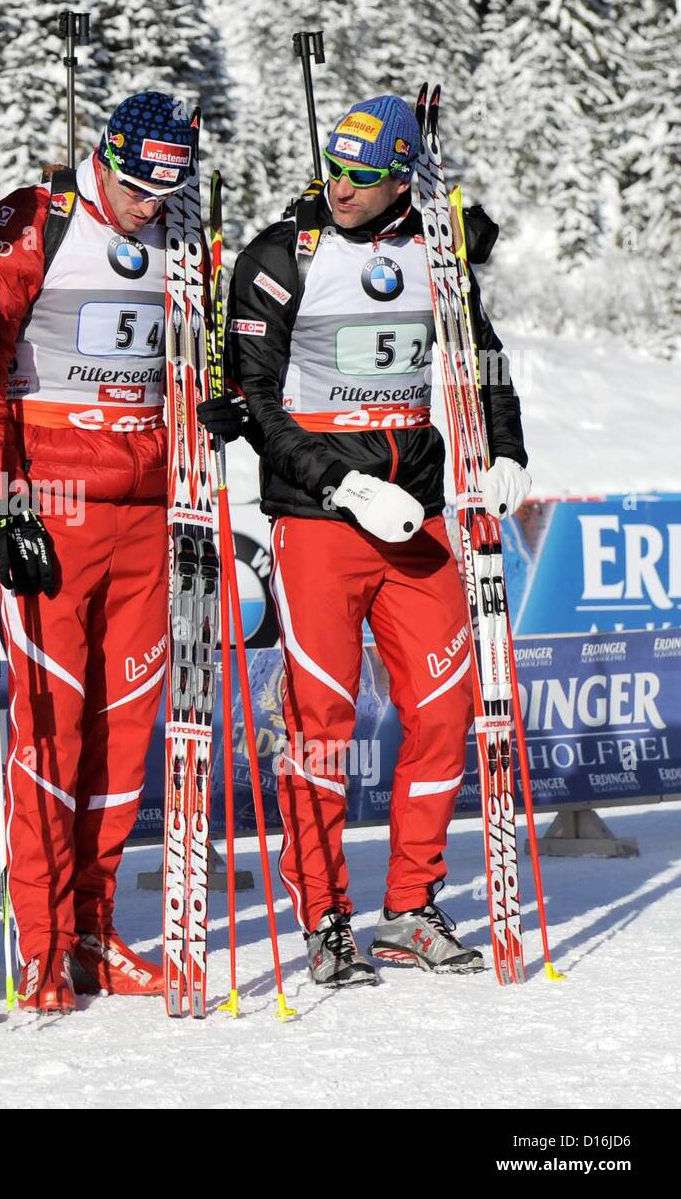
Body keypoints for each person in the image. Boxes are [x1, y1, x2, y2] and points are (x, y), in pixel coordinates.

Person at [198, 95, 530, 986]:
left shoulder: (437, 254)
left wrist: (505, 447)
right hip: (321, 523)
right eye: (335, 169)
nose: (342, 188)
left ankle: (411, 907)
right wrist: (340, 482)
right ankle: (325, 913)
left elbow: (481, 355)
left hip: (416, 519)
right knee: (323, 726)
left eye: (365, 177)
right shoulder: (282, 256)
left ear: (401, 181)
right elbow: (254, 402)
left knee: (444, 709)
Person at [0, 92, 201, 1011]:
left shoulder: (185, 236)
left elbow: (184, 369)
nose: (146, 204)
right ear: (105, 159)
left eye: (165, 188)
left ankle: (95, 929)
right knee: (50, 730)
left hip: (147, 511)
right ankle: (42, 942)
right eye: (134, 184)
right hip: (53, 509)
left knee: (123, 737)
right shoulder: (34, 223)